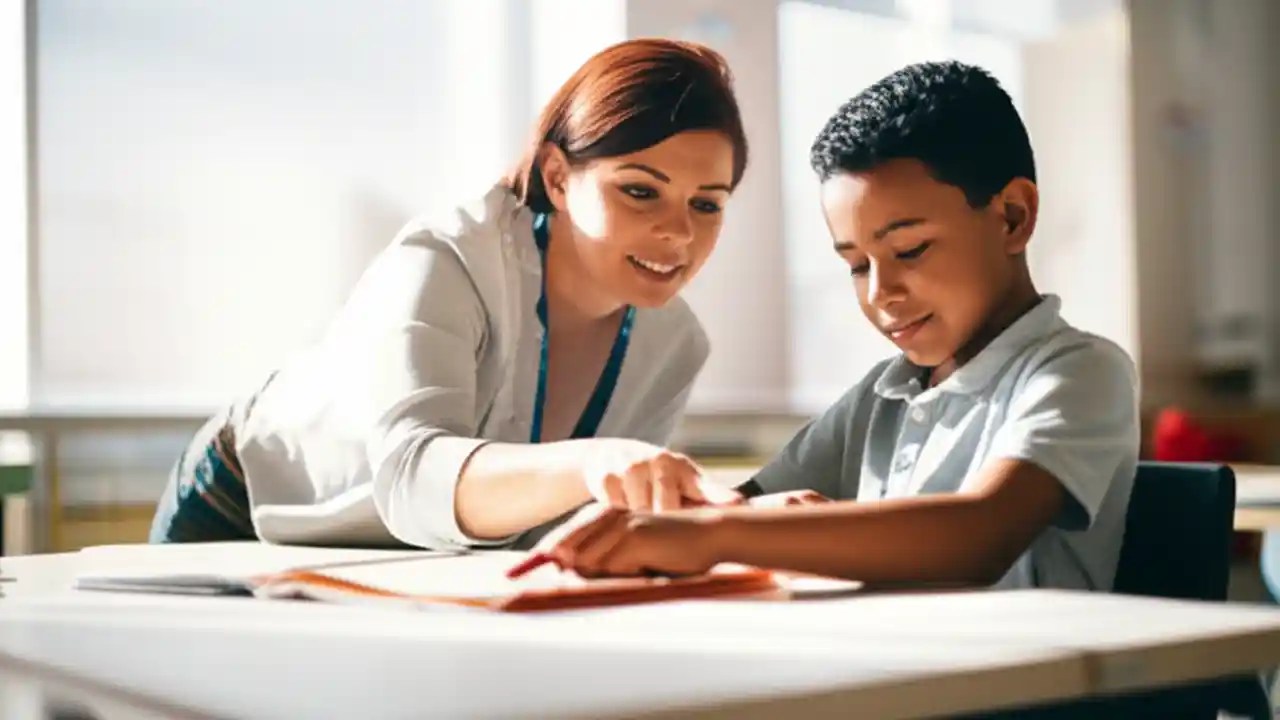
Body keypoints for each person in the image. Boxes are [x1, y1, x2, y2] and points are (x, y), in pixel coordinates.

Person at [526, 61, 1139, 591]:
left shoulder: (1079, 371)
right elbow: (746, 501)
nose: (881, 294)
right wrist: (708, 518)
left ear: (1011, 216)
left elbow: (980, 535)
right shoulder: (882, 397)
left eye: (912, 250)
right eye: (855, 265)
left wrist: (719, 532)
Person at [150, 38, 750, 549]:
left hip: (407, 556)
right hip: (244, 501)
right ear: (558, 178)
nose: (679, 233)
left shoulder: (677, 344)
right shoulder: (450, 257)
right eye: (640, 192)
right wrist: (596, 462)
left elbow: (595, 521)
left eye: (707, 204)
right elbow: (412, 475)